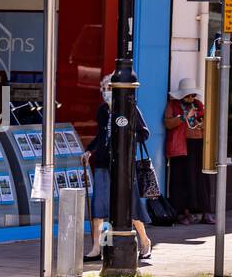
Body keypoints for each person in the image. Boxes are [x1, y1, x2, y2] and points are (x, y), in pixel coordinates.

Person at [81, 76, 152, 261]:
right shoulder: (103, 111)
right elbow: (101, 134)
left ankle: (144, 241)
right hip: (104, 163)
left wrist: (126, 138)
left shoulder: (129, 108)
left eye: (110, 87)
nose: (106, 91)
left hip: (124, 165)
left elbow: (144, 133)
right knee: (99, 207)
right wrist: (89, 151)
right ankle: (96, 248)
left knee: (130, 206)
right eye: (104, 87)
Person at [163, 77, 213, 225]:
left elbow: (206, 122)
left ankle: (205, 212)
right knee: (182, 178)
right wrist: (184, 117)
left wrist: (201, 124)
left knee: (201, 178)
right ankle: (183, 213)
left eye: (193, 95)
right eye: (188, 95)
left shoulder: (199, 104)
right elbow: (168, 123)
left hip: (197, 144)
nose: (191, 98)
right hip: (181, 146)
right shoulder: (173, 105)